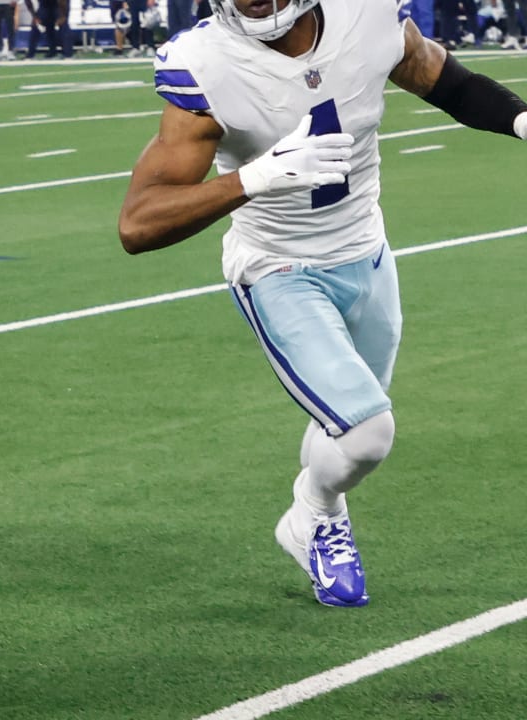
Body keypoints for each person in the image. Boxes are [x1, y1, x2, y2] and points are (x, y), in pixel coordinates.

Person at [117, 0, 527, 608]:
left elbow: (441, 77)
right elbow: (137, 223)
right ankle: (316, 512)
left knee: (341, 421)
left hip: (366, 248)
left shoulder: (365, 12)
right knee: (366, 433)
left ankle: (316, 510)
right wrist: (255, 179)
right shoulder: (206, 65)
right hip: (278, 265)